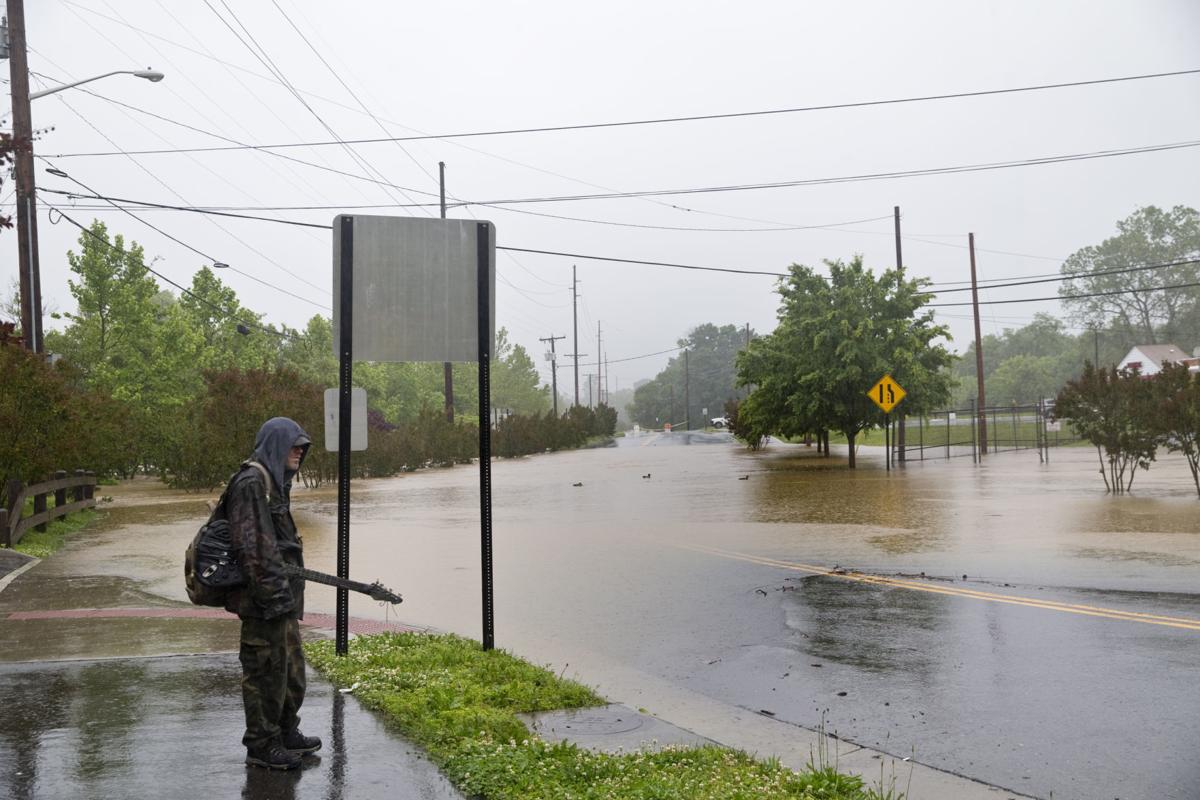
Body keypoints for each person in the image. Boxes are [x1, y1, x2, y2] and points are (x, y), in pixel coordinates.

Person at [225, 416, 321, 770]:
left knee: (290, 672)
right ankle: (262, 746)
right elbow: (253, 550)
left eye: (303, 447)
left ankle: (284, 731)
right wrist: (275, 599)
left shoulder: (276, 482)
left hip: (282, 599)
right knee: (265, 672)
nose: (300, 451)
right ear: (276, 445)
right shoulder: (252, 482)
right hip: (264, 602)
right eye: (294, 445)